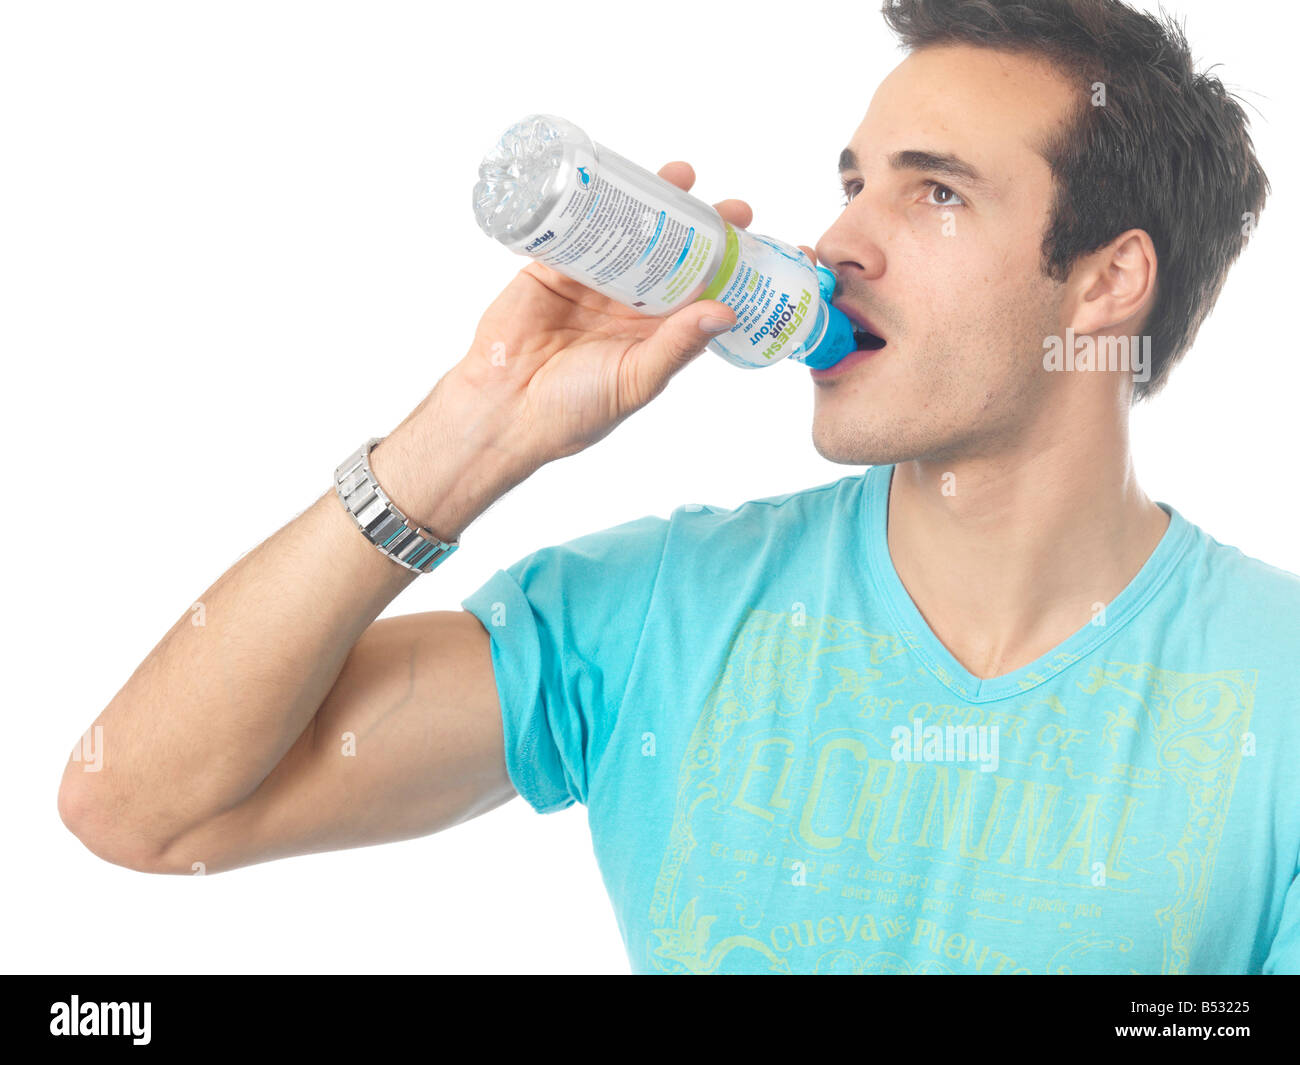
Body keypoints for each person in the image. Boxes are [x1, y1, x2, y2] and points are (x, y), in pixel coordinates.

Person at [59, 0, 1299, 974]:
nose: (838, 242)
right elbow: (145, 811)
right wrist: (472, 433)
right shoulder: (659, 612)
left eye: (933, 192)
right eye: (852, 181)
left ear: (1103, 282)